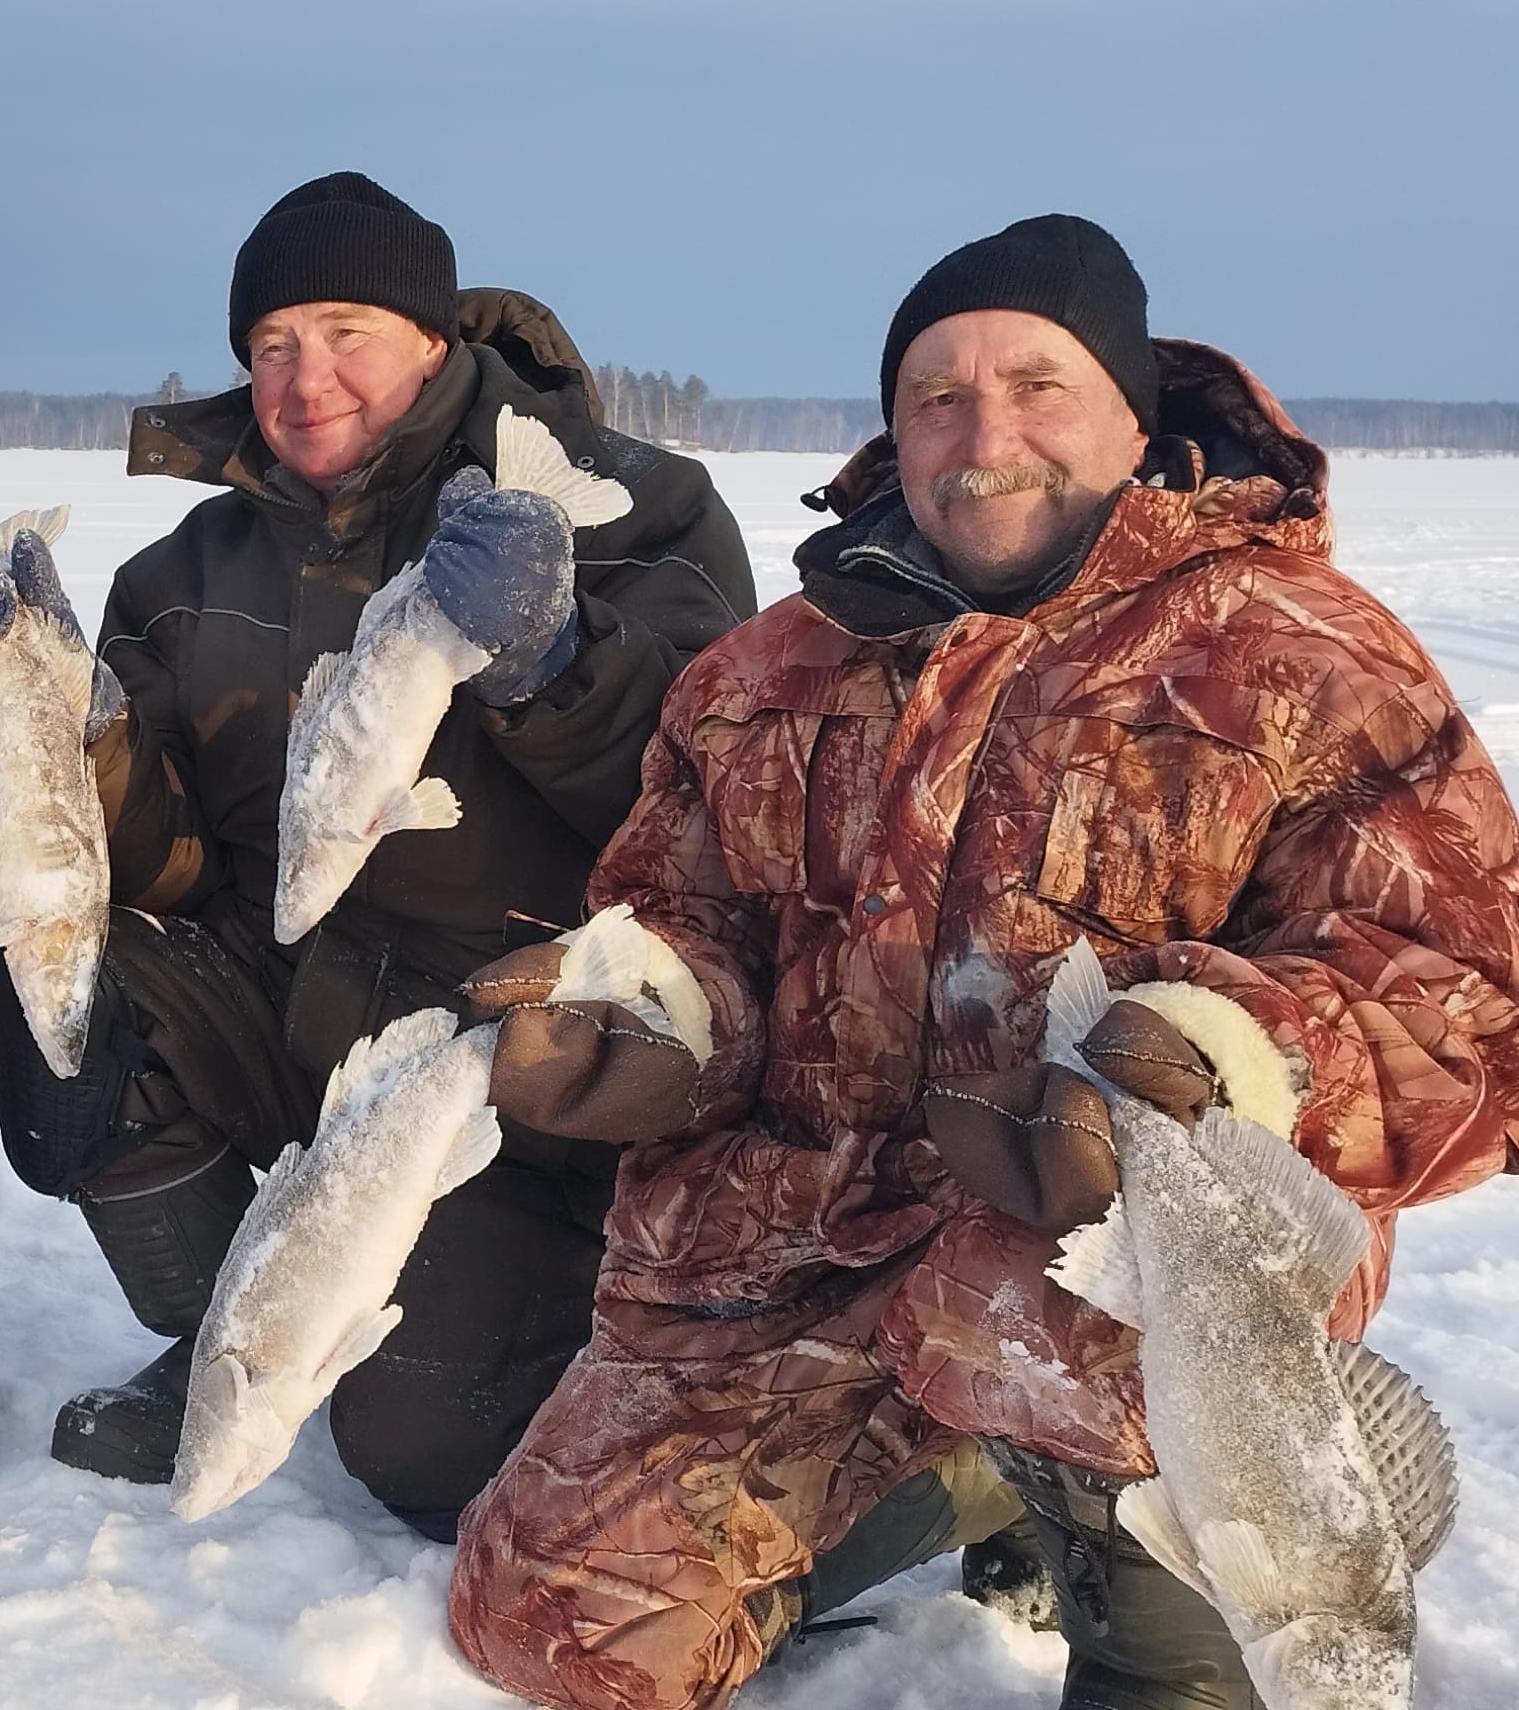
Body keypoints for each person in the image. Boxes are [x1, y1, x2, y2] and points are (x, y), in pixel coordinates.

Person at [446, 214, 1519, 1710]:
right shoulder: (764, 669)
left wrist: (1223, 1059)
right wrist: (656, 1017)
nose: (984, 430)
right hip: (797, 1239)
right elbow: (679, 911)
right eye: (936, 394)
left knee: (1058, 1313)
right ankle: (969, 1482)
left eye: (1038, 383)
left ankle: (1164, 1599)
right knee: (545, 1624)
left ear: (1135, 414)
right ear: (893, 429)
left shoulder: (1298, 652)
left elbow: (1463, 993)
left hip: (1127, 1279)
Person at [0, 171, 757, 1536]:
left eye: (346, 329)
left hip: (511, 1059)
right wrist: (80, 732)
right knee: (60, 990)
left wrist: (551, 663)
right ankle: (226, 1321)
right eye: (270, 343)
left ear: (434, 337)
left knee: (429, 1448)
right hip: (296, 1013)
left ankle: (670, 1369)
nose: (304, 375)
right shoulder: (185, 568)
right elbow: (156, 871)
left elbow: (720, 809)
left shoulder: (628, 507)